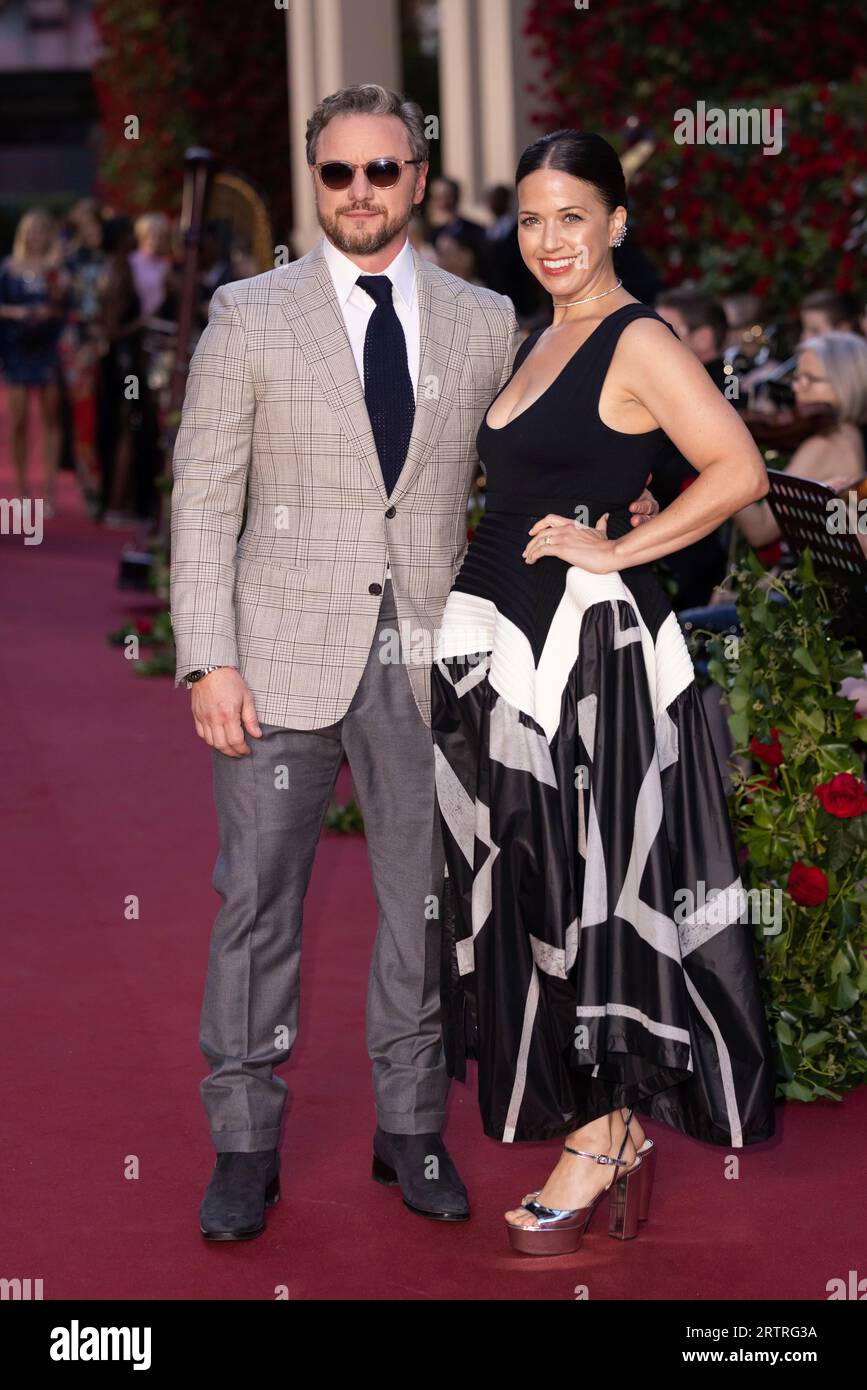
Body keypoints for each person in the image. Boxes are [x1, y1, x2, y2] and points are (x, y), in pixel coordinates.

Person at [169, 85, 658, 1243]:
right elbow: (201, 499)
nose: (361, 193)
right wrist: (206, 662)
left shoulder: (486, 317)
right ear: (314, 181)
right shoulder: (250, 314)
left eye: (383, 171)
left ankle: (410, 1128)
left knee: (426, 911)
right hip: (277, 658)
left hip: (438, 659)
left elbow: (544, 441)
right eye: (339, 174)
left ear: (419, 179)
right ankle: (244, 1144)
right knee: (254, 910)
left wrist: (623, 500)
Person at [429, 128, 777, 1256]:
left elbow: (737, 469)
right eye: (531, 217)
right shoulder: (540, 335)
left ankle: (609, 1129)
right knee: (533, 893)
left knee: (593, 892)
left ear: (617, 222)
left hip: (587, 668)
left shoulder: (638, 339)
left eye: (572, 214)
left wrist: (623, 551)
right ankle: (594, 1118)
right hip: (503, 657)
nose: (549, 238)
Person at [734, 331, 867, 549]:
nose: (796, 387)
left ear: (846, 384)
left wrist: (721, 462)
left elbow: (759, 530)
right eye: (797, 376)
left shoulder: (825, 445)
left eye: (810, 379)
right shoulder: (851, 434)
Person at [0, 207, 70, 516]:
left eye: (42, 230)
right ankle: (23, 490)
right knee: (17, 421)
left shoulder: (57, 269)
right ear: (23, 234)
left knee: (51, 418)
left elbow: (63, 305)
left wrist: (54, 274)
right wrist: (18, 313)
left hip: (47, 347)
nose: (36, 236)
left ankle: (50, 493)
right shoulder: (7, 266)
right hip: (15, 347)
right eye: (31, 229)